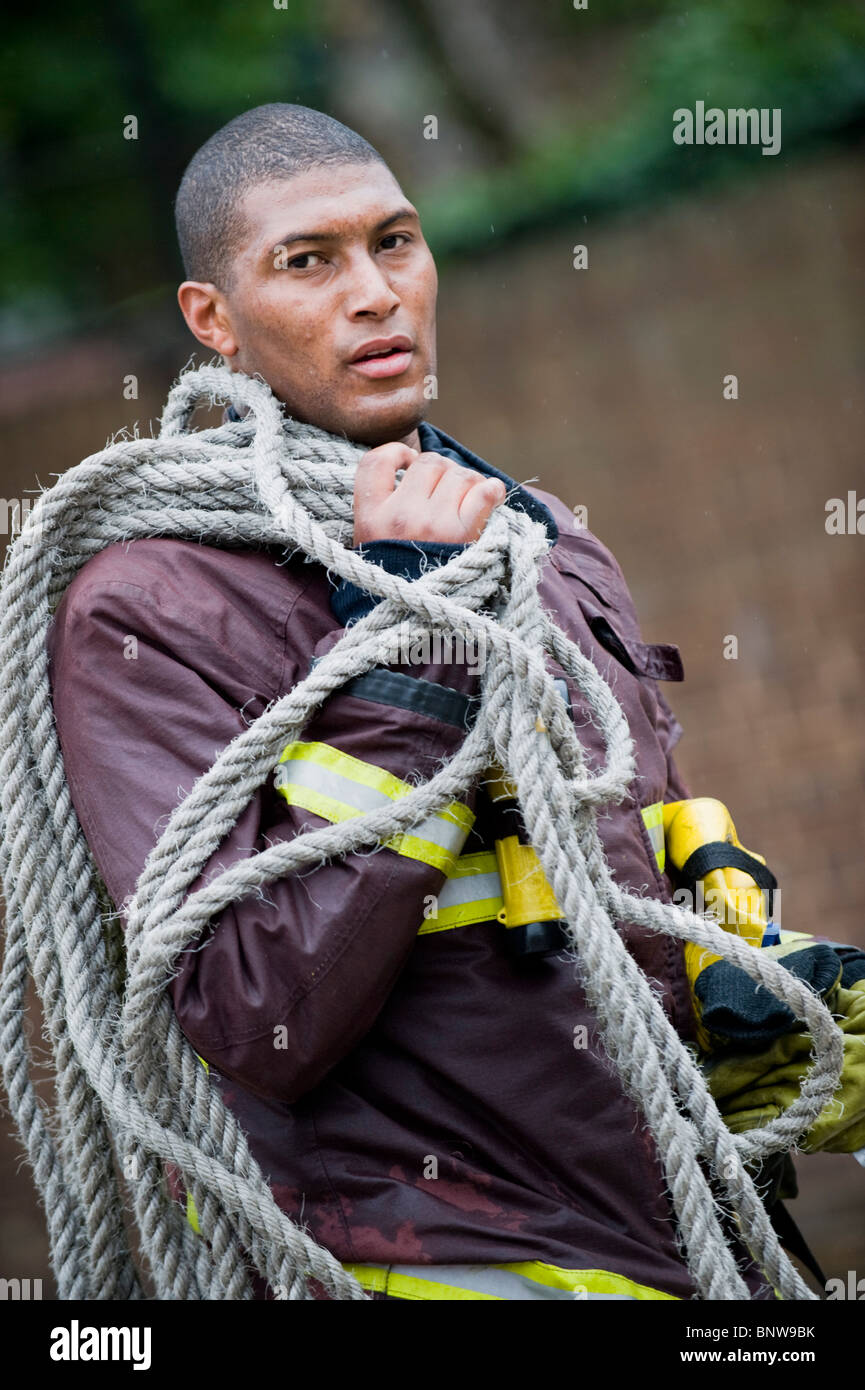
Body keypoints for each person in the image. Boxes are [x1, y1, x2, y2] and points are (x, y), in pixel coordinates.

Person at [44, 103, 859, 1303]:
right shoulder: (150, 604)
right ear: (211, 320)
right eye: (306, 262)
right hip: (435, 1259)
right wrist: (418, 637)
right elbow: (255, 1012)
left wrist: (743, 991)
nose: (373, 293)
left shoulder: (541, 541)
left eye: (395, 241)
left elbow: (577, 892)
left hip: (689, 1234)